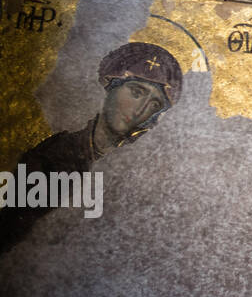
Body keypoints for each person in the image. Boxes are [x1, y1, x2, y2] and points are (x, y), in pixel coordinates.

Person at [0, 42, 182, 253]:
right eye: (136, 92)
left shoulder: (138, 171)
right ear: (111, 86)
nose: (140, 110)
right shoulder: (52, 156)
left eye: (154, 105)